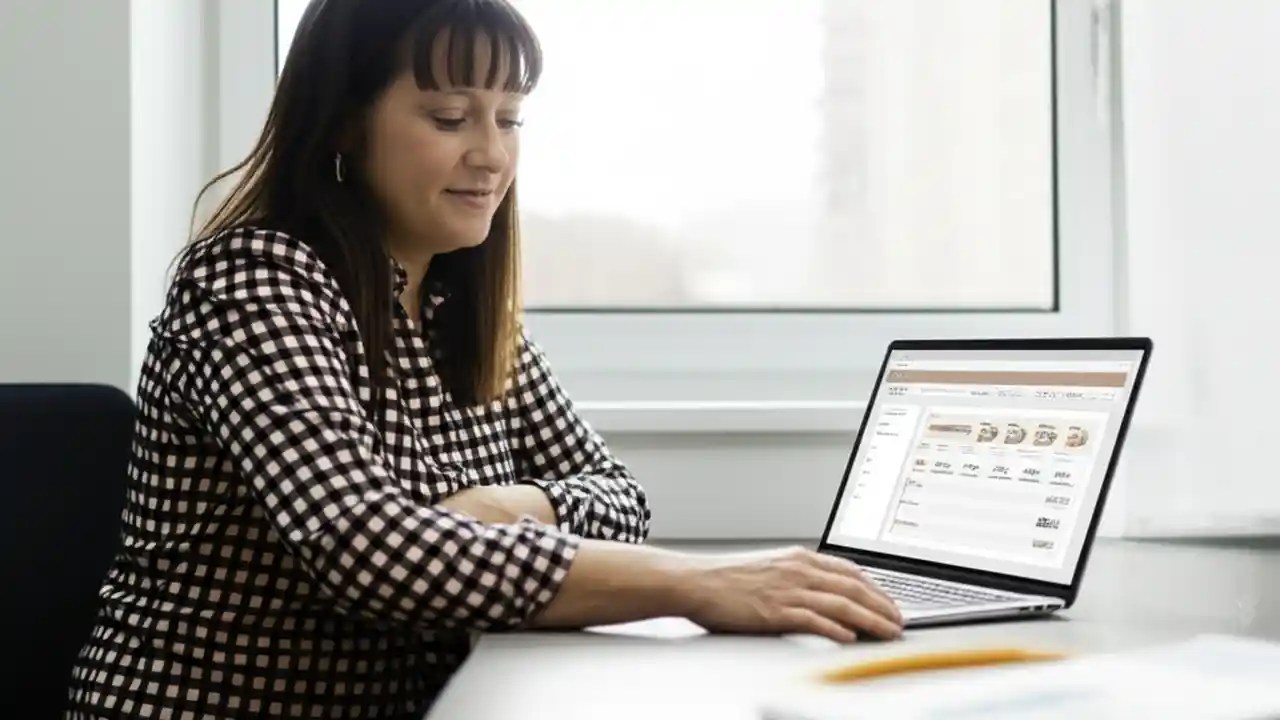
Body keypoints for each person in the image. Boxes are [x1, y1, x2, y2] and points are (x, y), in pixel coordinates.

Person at [66, 1, 902, 717]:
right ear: (347, 125)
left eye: (509, 118)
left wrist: (502, 505)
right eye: (449, 118)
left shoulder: (458, 305)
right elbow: (366, 550)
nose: (493, 154)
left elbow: (622, 500)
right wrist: (694, 585)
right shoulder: (254, 279)